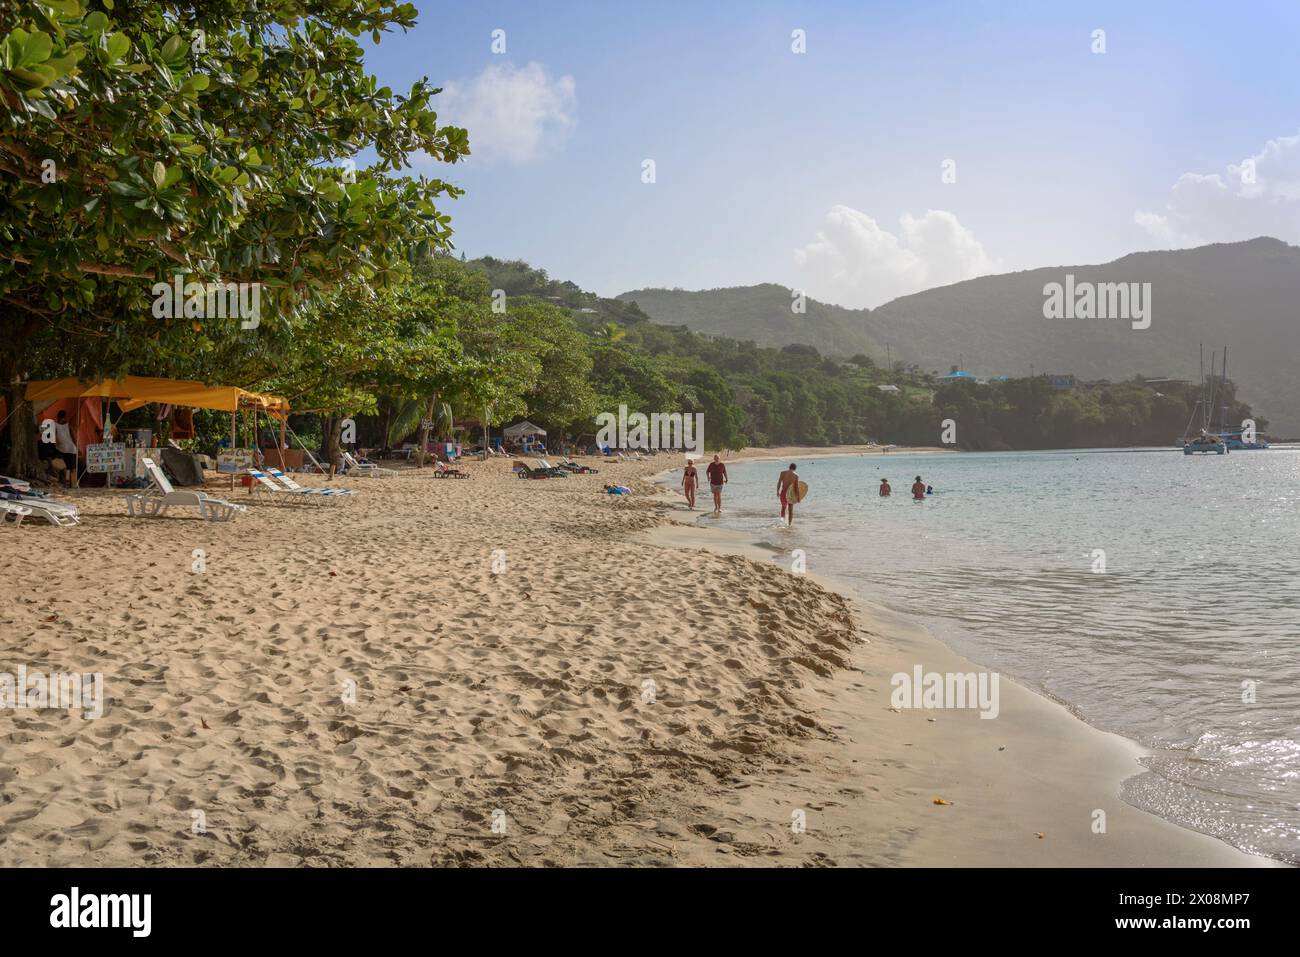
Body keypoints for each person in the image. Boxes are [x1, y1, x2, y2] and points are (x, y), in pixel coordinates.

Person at [54, 410, 78, 488]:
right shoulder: (69, 425)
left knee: (67, 467)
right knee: (73, 468)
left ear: (58, 417)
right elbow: (74, 437)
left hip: (61, 449)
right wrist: (77, 447)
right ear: (65, 417)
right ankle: (73, 484)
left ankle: (67, 484)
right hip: (71, 449)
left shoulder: (55, 425)